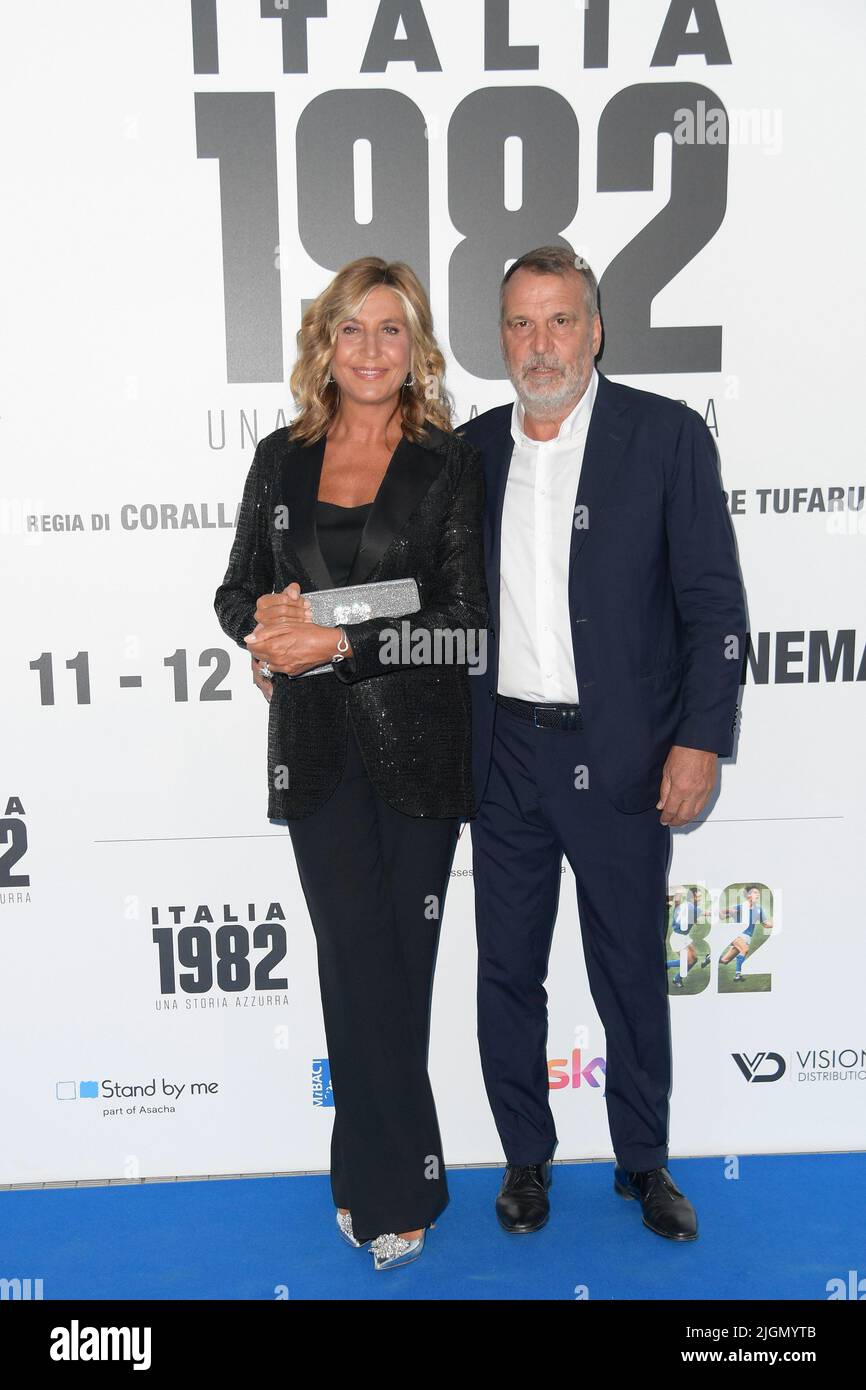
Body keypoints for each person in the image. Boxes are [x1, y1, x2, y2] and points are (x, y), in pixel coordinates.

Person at [459, 244, 747, 1242]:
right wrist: (300, 626)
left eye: (559, 321)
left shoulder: (663, 440)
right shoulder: (470, 452)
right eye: (519, 324)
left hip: (622, 753)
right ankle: (523, 1161)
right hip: (502, 757)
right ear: (499, 336)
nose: (539, 345)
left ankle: (641, 1163)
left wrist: (698, 738)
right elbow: (408, 587)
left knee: (626, 965)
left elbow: (709, 599)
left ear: (595, 329)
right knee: (505, 968)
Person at [214, 256, 487, 1270]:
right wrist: (265, 629)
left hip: (416, 752)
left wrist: (329, 637)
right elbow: (235, 589)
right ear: (322, 344)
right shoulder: (279, 457)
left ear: (415, 349)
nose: (369, 349)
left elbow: (461, 623)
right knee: (349, 963)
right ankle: (380, 1176)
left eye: (390, 330)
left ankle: (391, 1186)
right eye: (350, 329)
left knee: (397, 970)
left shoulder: (446, 461)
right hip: (316, 753)